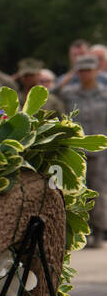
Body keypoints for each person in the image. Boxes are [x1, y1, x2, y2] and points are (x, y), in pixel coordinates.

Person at [62, 53, 107, 248]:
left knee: (99, 190)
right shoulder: (69, 93)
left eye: (89, 69)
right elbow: (51, 91)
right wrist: (70, 72)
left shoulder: (105, 94)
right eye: (81, 70)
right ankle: (80, 230)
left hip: (100, 150)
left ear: (97, 71)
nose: (85, 74)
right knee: (76, 190)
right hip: (76, 149)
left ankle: (98, 231)